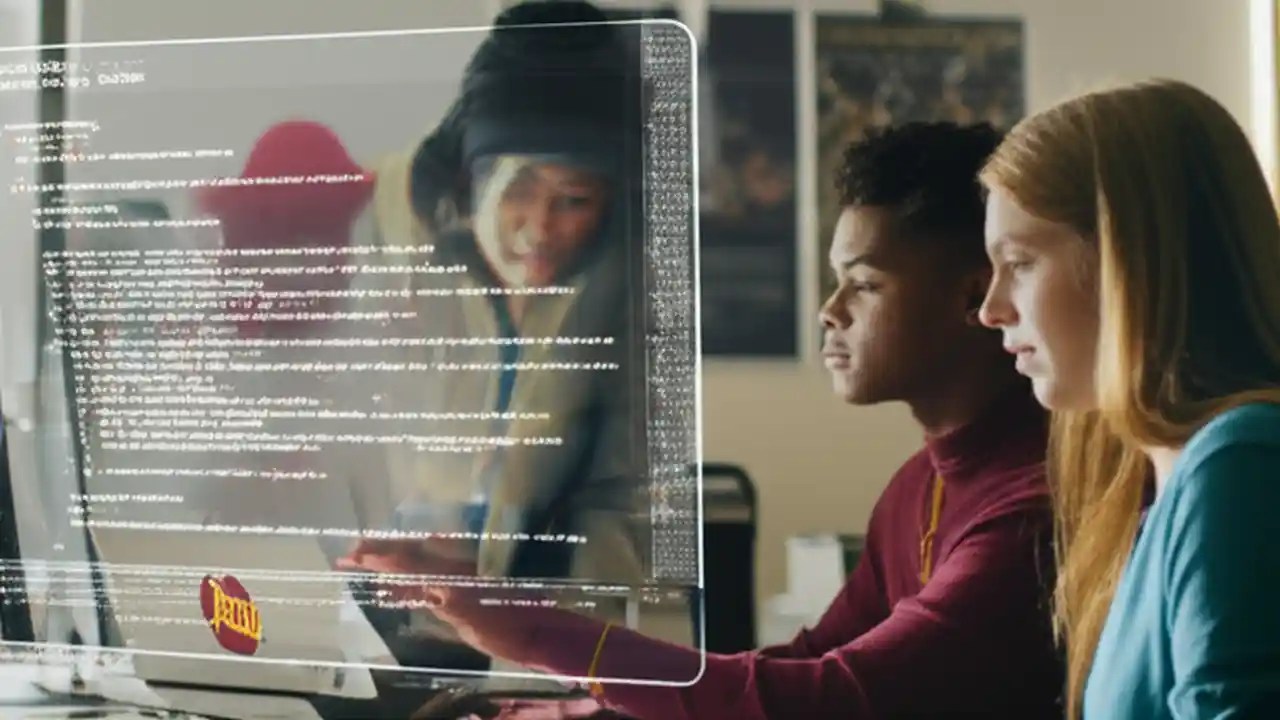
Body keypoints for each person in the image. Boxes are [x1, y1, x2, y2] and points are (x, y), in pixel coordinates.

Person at [350, 121, 1066, 719]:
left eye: (866, 284)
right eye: (836, 279)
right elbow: (802, 660)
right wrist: (589, 707)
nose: (830, 309)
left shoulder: (1031, 510)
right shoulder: (920, 485)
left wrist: (535, 630)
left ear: (979, 297)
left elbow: (826, 700)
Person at [977, 78, 1280, 719]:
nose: (990, 309)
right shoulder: (1172, 483)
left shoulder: (1237, 466)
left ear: (1125, 259)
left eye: (1021, 262)